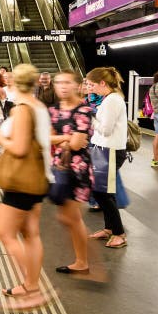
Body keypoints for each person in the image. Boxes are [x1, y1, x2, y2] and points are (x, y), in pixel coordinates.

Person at [0, 64, 52, 309]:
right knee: (30, 233)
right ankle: (30, 286)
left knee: (5, 234)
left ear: (13, 82)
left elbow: (20, 148)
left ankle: (34, 290)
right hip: (39, 177)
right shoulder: (40, 107)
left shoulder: (23, 110)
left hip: (21, 180)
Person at [48, 70, 93, 274]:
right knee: (65, 217)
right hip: (59, 165)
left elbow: (76, 145)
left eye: (67, 82)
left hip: (78, 170)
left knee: (72, 217)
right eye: (58, 83)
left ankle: (82, 261)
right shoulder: (54, 109)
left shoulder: (83, 110)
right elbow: (47, 137)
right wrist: (67, 138)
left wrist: (61, 138)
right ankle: (82, 257)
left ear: (77, 85)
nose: (62, 86)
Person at [85, 67, 128, 249]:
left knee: (103, 194)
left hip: (109, 150)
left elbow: (106, 129)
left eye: (92, 84)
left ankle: (119, 233)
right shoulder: (110, 98)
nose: (89, 87)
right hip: (103, 149)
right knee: (102, 191)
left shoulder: (112, 101)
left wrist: (91, 119)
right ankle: (110, 228)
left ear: (103, 83)